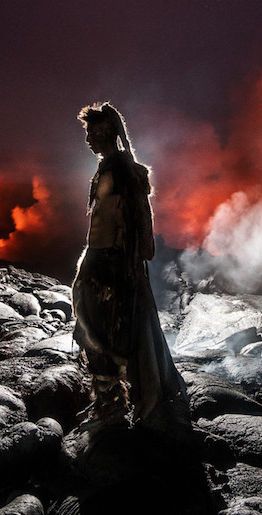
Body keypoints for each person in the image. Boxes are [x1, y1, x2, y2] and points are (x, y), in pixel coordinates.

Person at [71, 102, 187, 426]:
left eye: (92, 133)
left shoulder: (120, 171)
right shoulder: (112, 167)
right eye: (87, 133)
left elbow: (137, 221)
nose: (88, 140)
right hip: (103, 263)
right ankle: (109, 401)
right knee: (97, 332)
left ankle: (113, 404)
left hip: (113, 267)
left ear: (104, 133)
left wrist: (126, 264)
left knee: (106, 335)